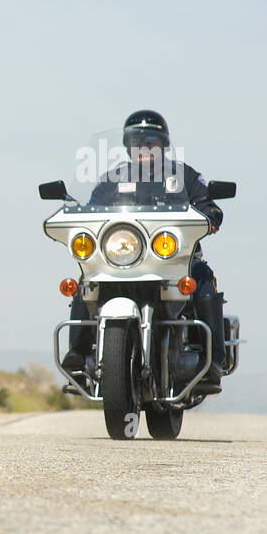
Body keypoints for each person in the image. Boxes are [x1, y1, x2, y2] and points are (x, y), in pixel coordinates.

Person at [61, 110, 227, 391]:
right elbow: (91, 208)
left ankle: (213, 361)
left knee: (203, 283)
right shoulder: (111, 180)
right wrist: (73, 209)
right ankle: (77, 355)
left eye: (152, 140)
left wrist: (211, 213)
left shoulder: (183, 175)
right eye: (138, 141)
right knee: (85, 281)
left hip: (177, 262)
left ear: (164, 145)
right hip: (122, 261)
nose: (145, 147)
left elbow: (207, 202)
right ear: (128, 146)